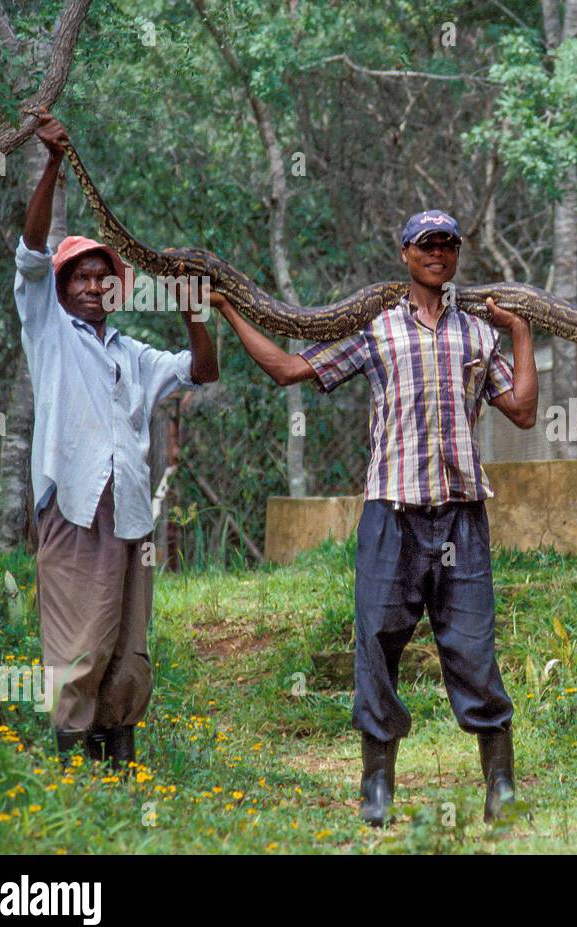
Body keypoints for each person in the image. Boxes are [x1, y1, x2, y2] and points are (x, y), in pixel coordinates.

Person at [213, 209, 538, 826]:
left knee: (473, 650)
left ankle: (501, 786)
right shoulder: (376, 329)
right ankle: (377, 786)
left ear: (457, 255)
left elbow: (522, 411)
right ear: (406, 254)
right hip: (391, 513)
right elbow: (288, 370)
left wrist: (520, 335)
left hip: (462, 515)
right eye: (426, 244)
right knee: (378, 646)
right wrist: (232, 311)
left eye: (448, 244)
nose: (438, 253)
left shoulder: (477, 334)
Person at [18, 110, 219, 765]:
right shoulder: (48, 332)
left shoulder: (133, 353)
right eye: (80, 275)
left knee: (128, 644)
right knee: (79, 641)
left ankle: (118, 760)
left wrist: (194, 314)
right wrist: (52, 162)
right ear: (62, 287)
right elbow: (31, 250)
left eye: (102, 275)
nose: (93, 284)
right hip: (73, 508)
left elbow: (203, 369)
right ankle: (73, 765)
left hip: (129, 516)